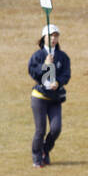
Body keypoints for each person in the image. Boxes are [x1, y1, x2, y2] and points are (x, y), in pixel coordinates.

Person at [28, 24, 70, 168]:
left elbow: (66, 74)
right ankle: (37, 157)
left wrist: (58, 82)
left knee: (56, 128)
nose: (53, 39)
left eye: (56, 36)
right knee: (40, 130)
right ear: (43, 38)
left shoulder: (62, 57)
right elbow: (32, 71)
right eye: (50, 36)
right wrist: (44, 65)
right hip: (39, 97)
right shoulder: (38, 56)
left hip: (55, 98)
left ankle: (45, 151)